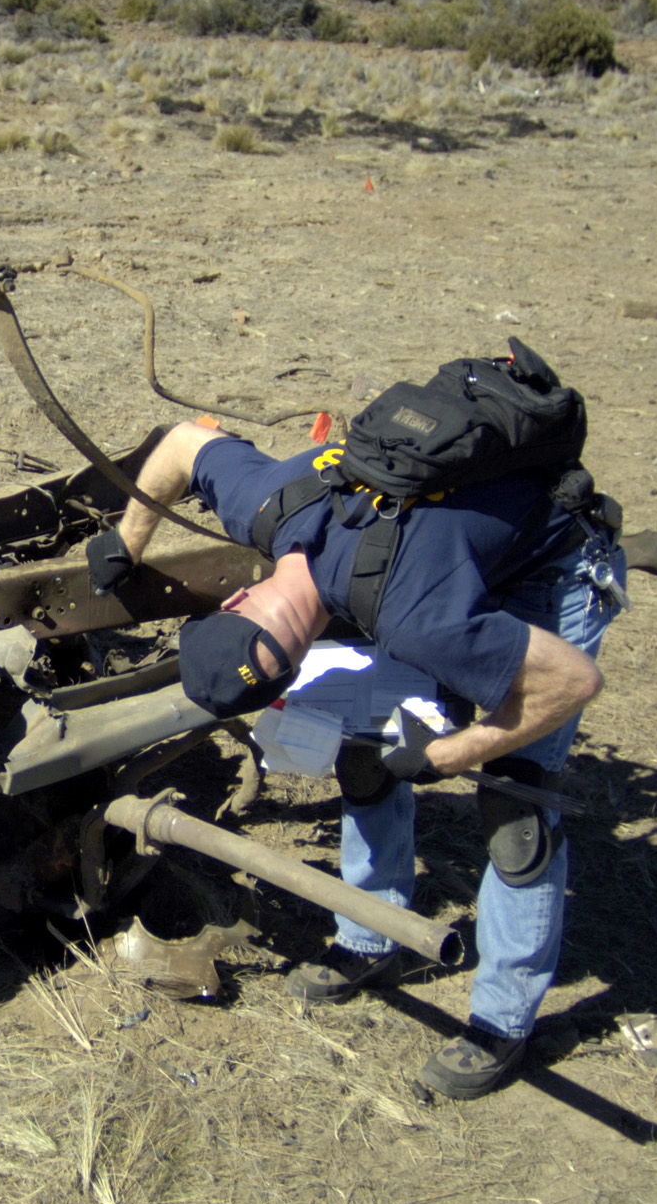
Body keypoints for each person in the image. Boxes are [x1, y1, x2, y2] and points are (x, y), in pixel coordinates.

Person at [101, 411, 627, 1100]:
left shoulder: (415, 616)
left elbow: (573, 682)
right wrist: (123, 543)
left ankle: (502, 1025)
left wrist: (448, 753)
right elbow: (181, 443)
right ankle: (369, 938)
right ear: (238, 598)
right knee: (365, 754)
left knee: (515, 810)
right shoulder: (263, 502)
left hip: (554, 573)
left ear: (238, 598)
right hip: (437, 566)